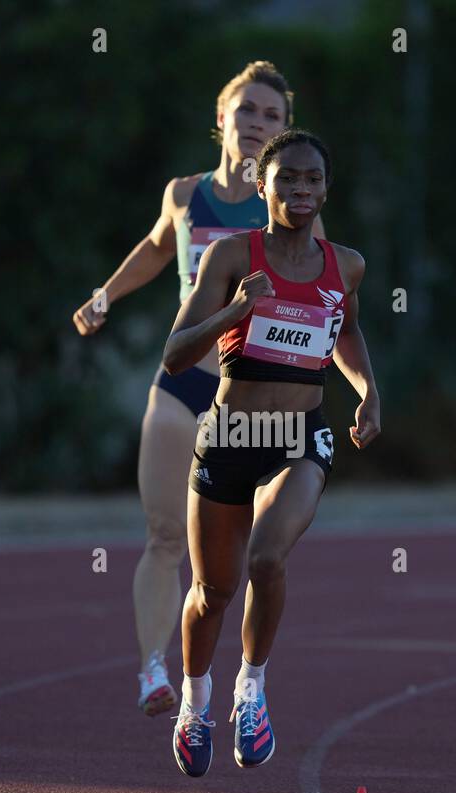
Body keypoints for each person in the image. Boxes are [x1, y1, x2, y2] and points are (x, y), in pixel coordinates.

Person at [71, 61, 324, 717]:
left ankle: (237, 676)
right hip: (184, 386)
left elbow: (322, 291)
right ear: (222, 118)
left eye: (272, 116)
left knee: (239, 559)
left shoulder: (293, 209)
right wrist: (105, 295)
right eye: (247, 111)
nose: (257, 124)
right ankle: (153, 670)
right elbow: (157, 248)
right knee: (162, 536)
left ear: (283, 131)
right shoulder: (184, 194)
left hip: (252, 403)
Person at [161, 129, 379, 776]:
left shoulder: (348, 264)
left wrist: (367, 392)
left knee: (267, 556)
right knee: (211, 590)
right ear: (263, 187)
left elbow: (349, 330)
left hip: (300, 435)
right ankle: (195, 703)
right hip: (229, 434)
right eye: (287, 179)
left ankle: (250, 692)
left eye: (312, 179)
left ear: (326, 188)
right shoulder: (233, 255)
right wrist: (233, 313)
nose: (301, 191)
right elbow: (176, 355)